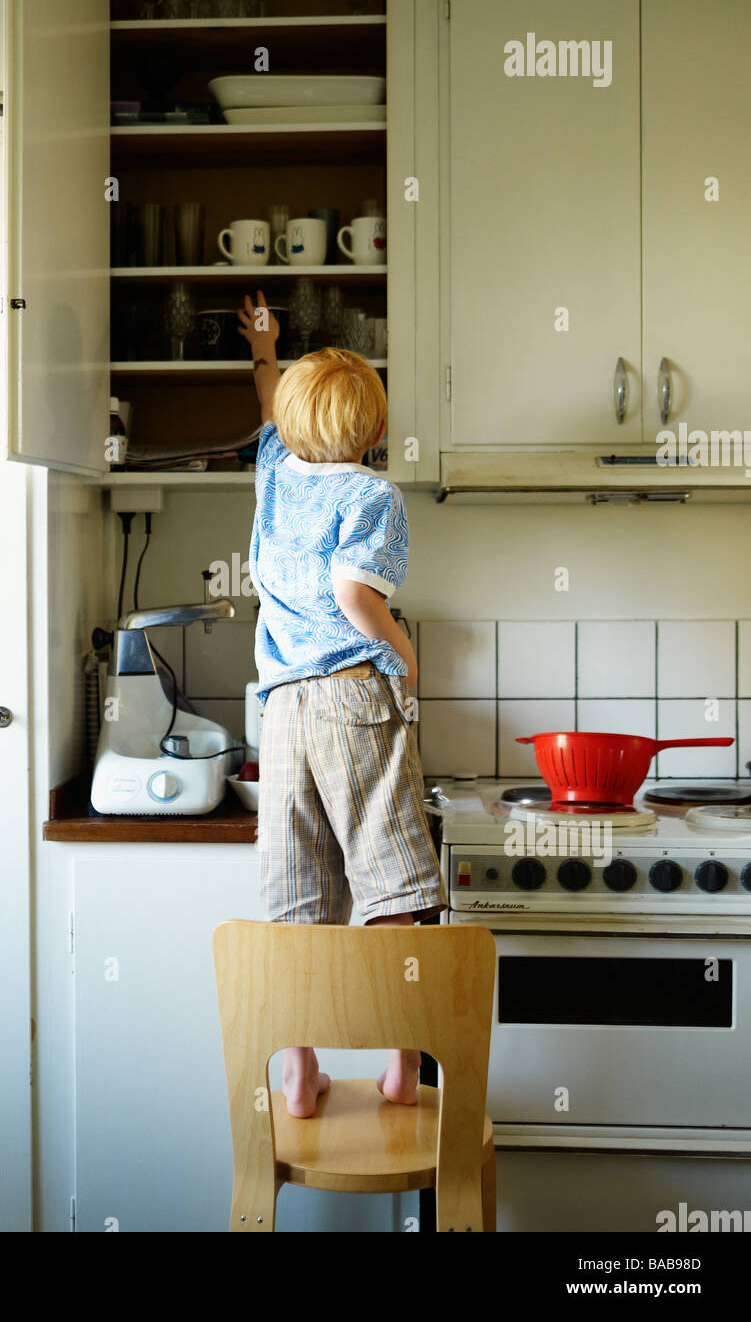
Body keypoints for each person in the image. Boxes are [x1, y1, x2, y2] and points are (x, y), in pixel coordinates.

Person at [238, 290, 448, 1119]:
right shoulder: (372, 496)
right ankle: (400, 1067)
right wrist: (400, 653)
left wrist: (266, 346)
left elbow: (268, 400)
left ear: (290, 424)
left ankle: (299, 1074)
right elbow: (353, 590)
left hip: (282, 707)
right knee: (389, 880)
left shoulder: (272, 467)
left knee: (297, 889)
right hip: (353, 698)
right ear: (372, 434)